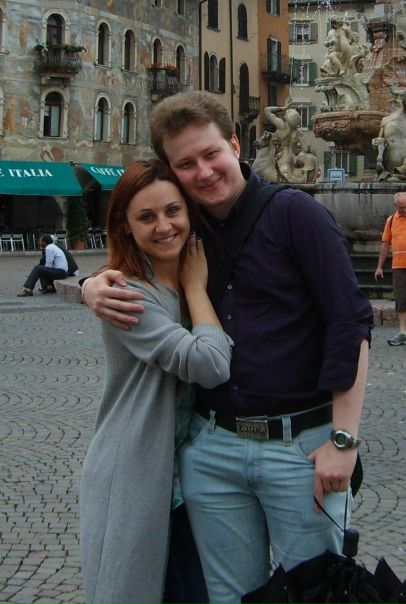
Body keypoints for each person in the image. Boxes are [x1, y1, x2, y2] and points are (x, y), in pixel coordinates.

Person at [80, 91, 373, 604]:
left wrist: (343, 440)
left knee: (318, 591)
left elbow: (349, 322)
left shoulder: (296, 214)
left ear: (235, 145)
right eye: (186, 164)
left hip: (299, 447)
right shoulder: (187, 225)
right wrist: (91, 284)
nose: (203, 171)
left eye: (211, 153)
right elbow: (143, 250)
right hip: (213, 447)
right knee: (229, 597)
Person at [79, 159, 232, 604]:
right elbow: (209, 364)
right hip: (137, 471)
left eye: (172, 210)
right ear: (124, 227)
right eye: (146, 217)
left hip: (190, 477)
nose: (164, 226)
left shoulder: (196, 272)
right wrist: (197, 290)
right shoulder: (128, 295)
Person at [374, 192, 406, 345]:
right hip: (399, 265)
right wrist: (379, 267)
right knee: (401, 300)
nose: (405, 210)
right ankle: (403, 332)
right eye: (402, 207)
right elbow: (385, 244)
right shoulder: (391, 220)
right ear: (395, 206)